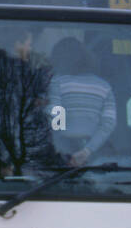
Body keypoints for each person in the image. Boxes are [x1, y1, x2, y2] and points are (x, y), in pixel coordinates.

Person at [47, 38, 116, 167]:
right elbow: (108, 123)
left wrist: (60, 148)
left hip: (65, 149)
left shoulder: (58, 82)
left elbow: (55, 116)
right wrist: (88, 150)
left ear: (59, 59)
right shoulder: (104, 87)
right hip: (96, 152)